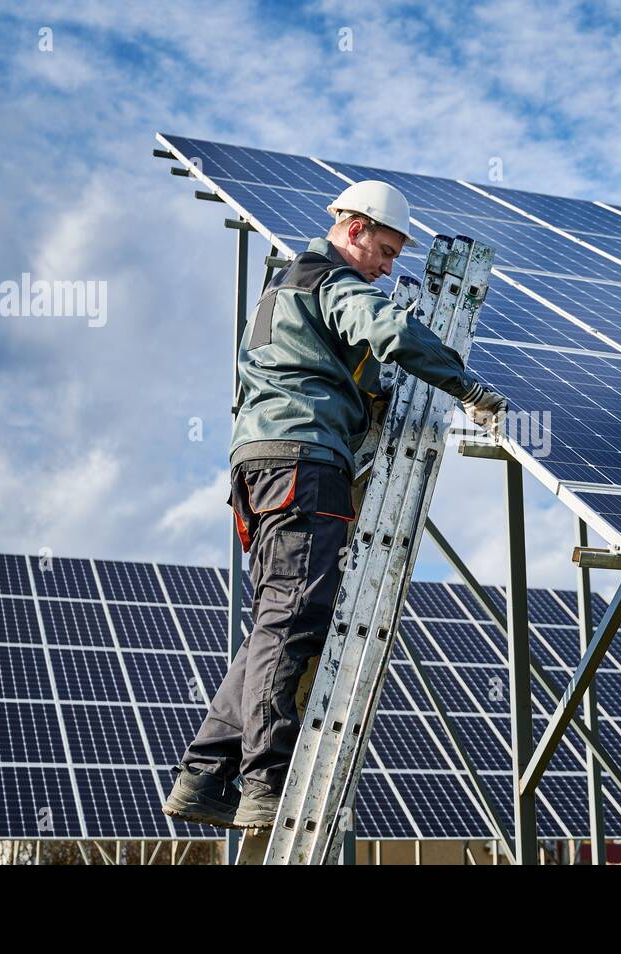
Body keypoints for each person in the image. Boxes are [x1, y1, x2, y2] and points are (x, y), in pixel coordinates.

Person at [162, 180, 506, 831]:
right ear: (352, 231)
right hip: (303, 463)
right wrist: (471, 388)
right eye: (384, 250)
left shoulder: (280, 294)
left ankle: (204, 773)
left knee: (278, 617)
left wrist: (365, 391)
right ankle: (265, 780)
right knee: (295, 617)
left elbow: (319, 368)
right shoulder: (332, 282)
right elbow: (391, 330)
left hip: (260, 467)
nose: (388, 267)